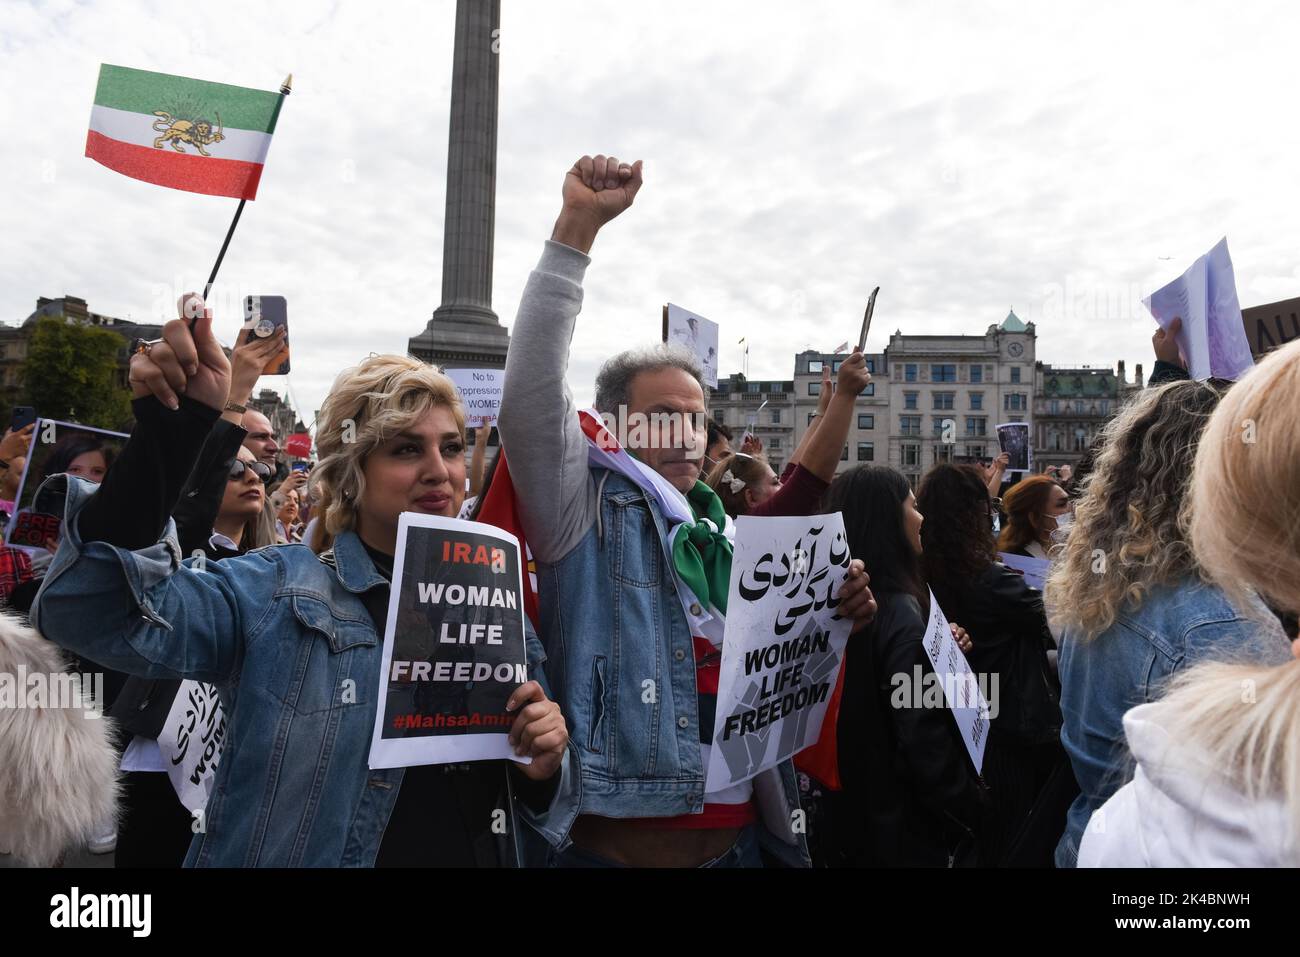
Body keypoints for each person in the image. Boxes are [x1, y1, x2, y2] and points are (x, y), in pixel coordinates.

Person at [32, 294, 576, 867]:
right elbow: (90, 612)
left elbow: (531, 804)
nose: (439, 471)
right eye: (406, 450)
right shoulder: (273, 593)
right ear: (351, 470)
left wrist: (542, 767)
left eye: (450, 447)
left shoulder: (495, 603)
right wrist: (168, 442)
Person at [497, 153, 877, 868]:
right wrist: (577, 227)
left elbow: (774, 671)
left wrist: (833, 610)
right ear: (615, 425)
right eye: (663, 415)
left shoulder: (725, 535)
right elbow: (529, 397)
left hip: (743, 848)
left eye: (696, 418)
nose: (685, 434)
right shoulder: (581, 511)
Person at [1046, 378, 1292, 867]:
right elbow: (1274, 806)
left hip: (1088, 836)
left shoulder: (1095, 583)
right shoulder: (1221, 622)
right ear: (1219, 479)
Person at [820, 465, 986, 866]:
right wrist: (970, 802)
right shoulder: (900, 611)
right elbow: (920, 734)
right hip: (901, 828)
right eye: (911, 505)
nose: (922, 516)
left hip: (847, 820)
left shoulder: (840, 607)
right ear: (887, 520)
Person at [916, 463, 1071, 866]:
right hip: (1010, 727)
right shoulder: (989, 579)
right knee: (1016, 836)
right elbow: (1055, 617)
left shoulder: (922, 570)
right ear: (975, 515)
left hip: (963, 716)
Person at [997, 474, 1070, 559]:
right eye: (1061, 505)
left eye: (1069, 502)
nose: (1070, 509)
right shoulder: (1018, 563)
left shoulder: (1070, 549)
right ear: (1034, 518)